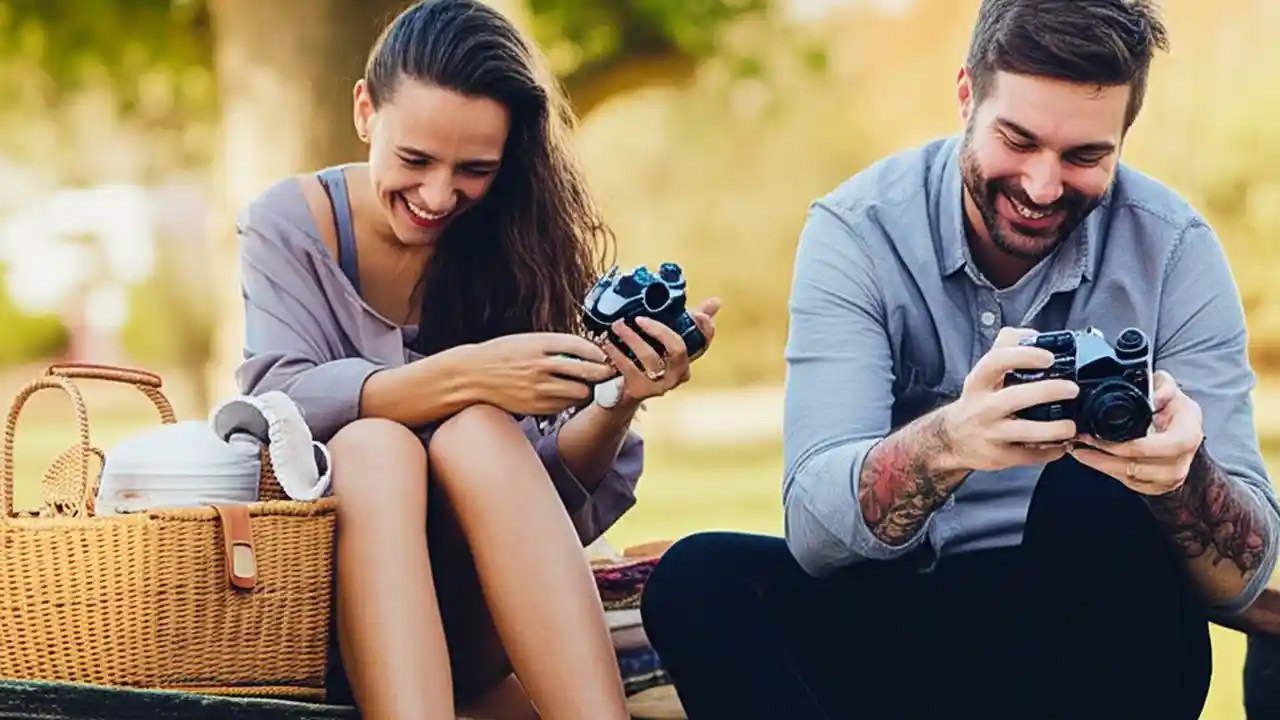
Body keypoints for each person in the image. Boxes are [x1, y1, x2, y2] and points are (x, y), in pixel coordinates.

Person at [640, 1, 1279, 718]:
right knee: (699, 578)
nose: (1042, 186)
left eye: (1084, 157)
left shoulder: (1175, 249)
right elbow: (815, 535)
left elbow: (1243, 582)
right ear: (967, 96)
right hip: (909, 614)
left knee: (1095, 494)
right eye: (1018, 140)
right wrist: (951, 442)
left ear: (1124, 139)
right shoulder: (859, 232)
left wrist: (1181, 477)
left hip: (1099, 636)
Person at [232, 1, 719, 718]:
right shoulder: (290, 224)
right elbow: (280, 405)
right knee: (373, 447)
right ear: (365, 111)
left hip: (480, 616)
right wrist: (468, 375)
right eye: (414, 159)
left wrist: (617, 397)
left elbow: (548, 493)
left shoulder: (518, 238)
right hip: (321, 616)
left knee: (480, 435)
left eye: (475, 169)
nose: (438, 196)